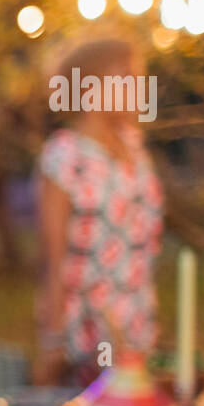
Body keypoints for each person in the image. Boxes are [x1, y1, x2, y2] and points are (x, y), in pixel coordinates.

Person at [34, 38, 164, 386]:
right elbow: (54, 259)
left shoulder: (136, 148)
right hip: (88, 331)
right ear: (91, 87)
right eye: (126, 76)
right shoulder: (64, 157)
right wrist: (53, 341)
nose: (139, 85)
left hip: (137, 323)